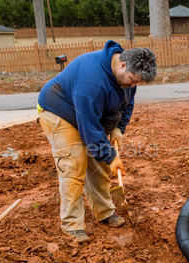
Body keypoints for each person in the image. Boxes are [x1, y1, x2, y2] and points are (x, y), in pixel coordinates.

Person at [37, 40, 157, 243]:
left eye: (137, 83)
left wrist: (120, 128)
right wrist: (112, 158)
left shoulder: (126, 78)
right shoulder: (91, 81)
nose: (133, 85)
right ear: (123, 65)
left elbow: (128, 103)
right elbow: (89, 125)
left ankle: (105, 212)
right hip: (59, 113)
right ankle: (72, 225)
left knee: (99, 166)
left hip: (86, 116)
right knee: (75, 166)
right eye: (132, 80)